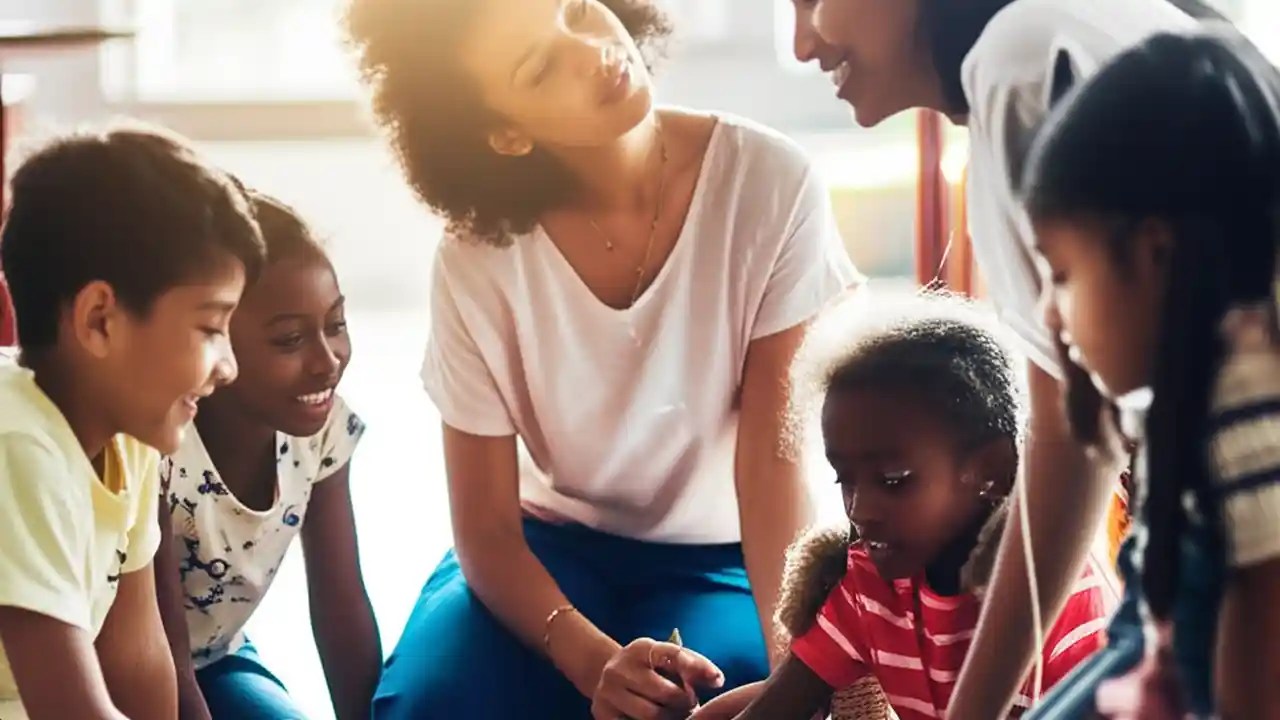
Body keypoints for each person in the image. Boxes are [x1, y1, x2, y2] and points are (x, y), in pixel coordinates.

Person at [344, 0, 861, 716]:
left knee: (714, 697)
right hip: (543, 548)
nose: (592, 50)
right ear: (505, 132)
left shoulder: (770, 183)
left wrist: (794, 683)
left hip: (723, 558)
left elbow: (772, 466)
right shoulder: (475, 260)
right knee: (432, 702)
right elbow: (486, 528)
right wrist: (592, 663)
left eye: (577, 10)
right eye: (540, 65)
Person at [786, 0, 1224, 715]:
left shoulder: (1026, 60)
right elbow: (1073, 435)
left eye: (812, 1)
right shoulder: (1021, 69)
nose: (805, 42)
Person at [690, 290, 1111, 719]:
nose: (859, 511)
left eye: (893, 481)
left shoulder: (1067, 607)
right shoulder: (870, 585)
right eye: (844, 479)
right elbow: (774, 708)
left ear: (992, 471)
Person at [1022, 29, 1280, 717]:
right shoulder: (1199, 395)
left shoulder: (1246, 404)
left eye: (1062, 275)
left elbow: (1263, 648)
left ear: (1156, 252)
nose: (1048, 312)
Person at [0, 125, 264, 720]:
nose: (228, 367)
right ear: (99, 320)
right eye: (210, 327)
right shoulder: (18, 444)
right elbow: (70, 710)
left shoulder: (129, 436)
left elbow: (137, 660)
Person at [153, 192, 381, 720]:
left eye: (336, 324)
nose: (327, 362)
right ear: (213, 339)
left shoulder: (322, 435)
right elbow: (162, 658)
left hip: (217, 658)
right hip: (126, 669)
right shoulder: (158, 444)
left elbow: (341, 605)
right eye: (291, 339)